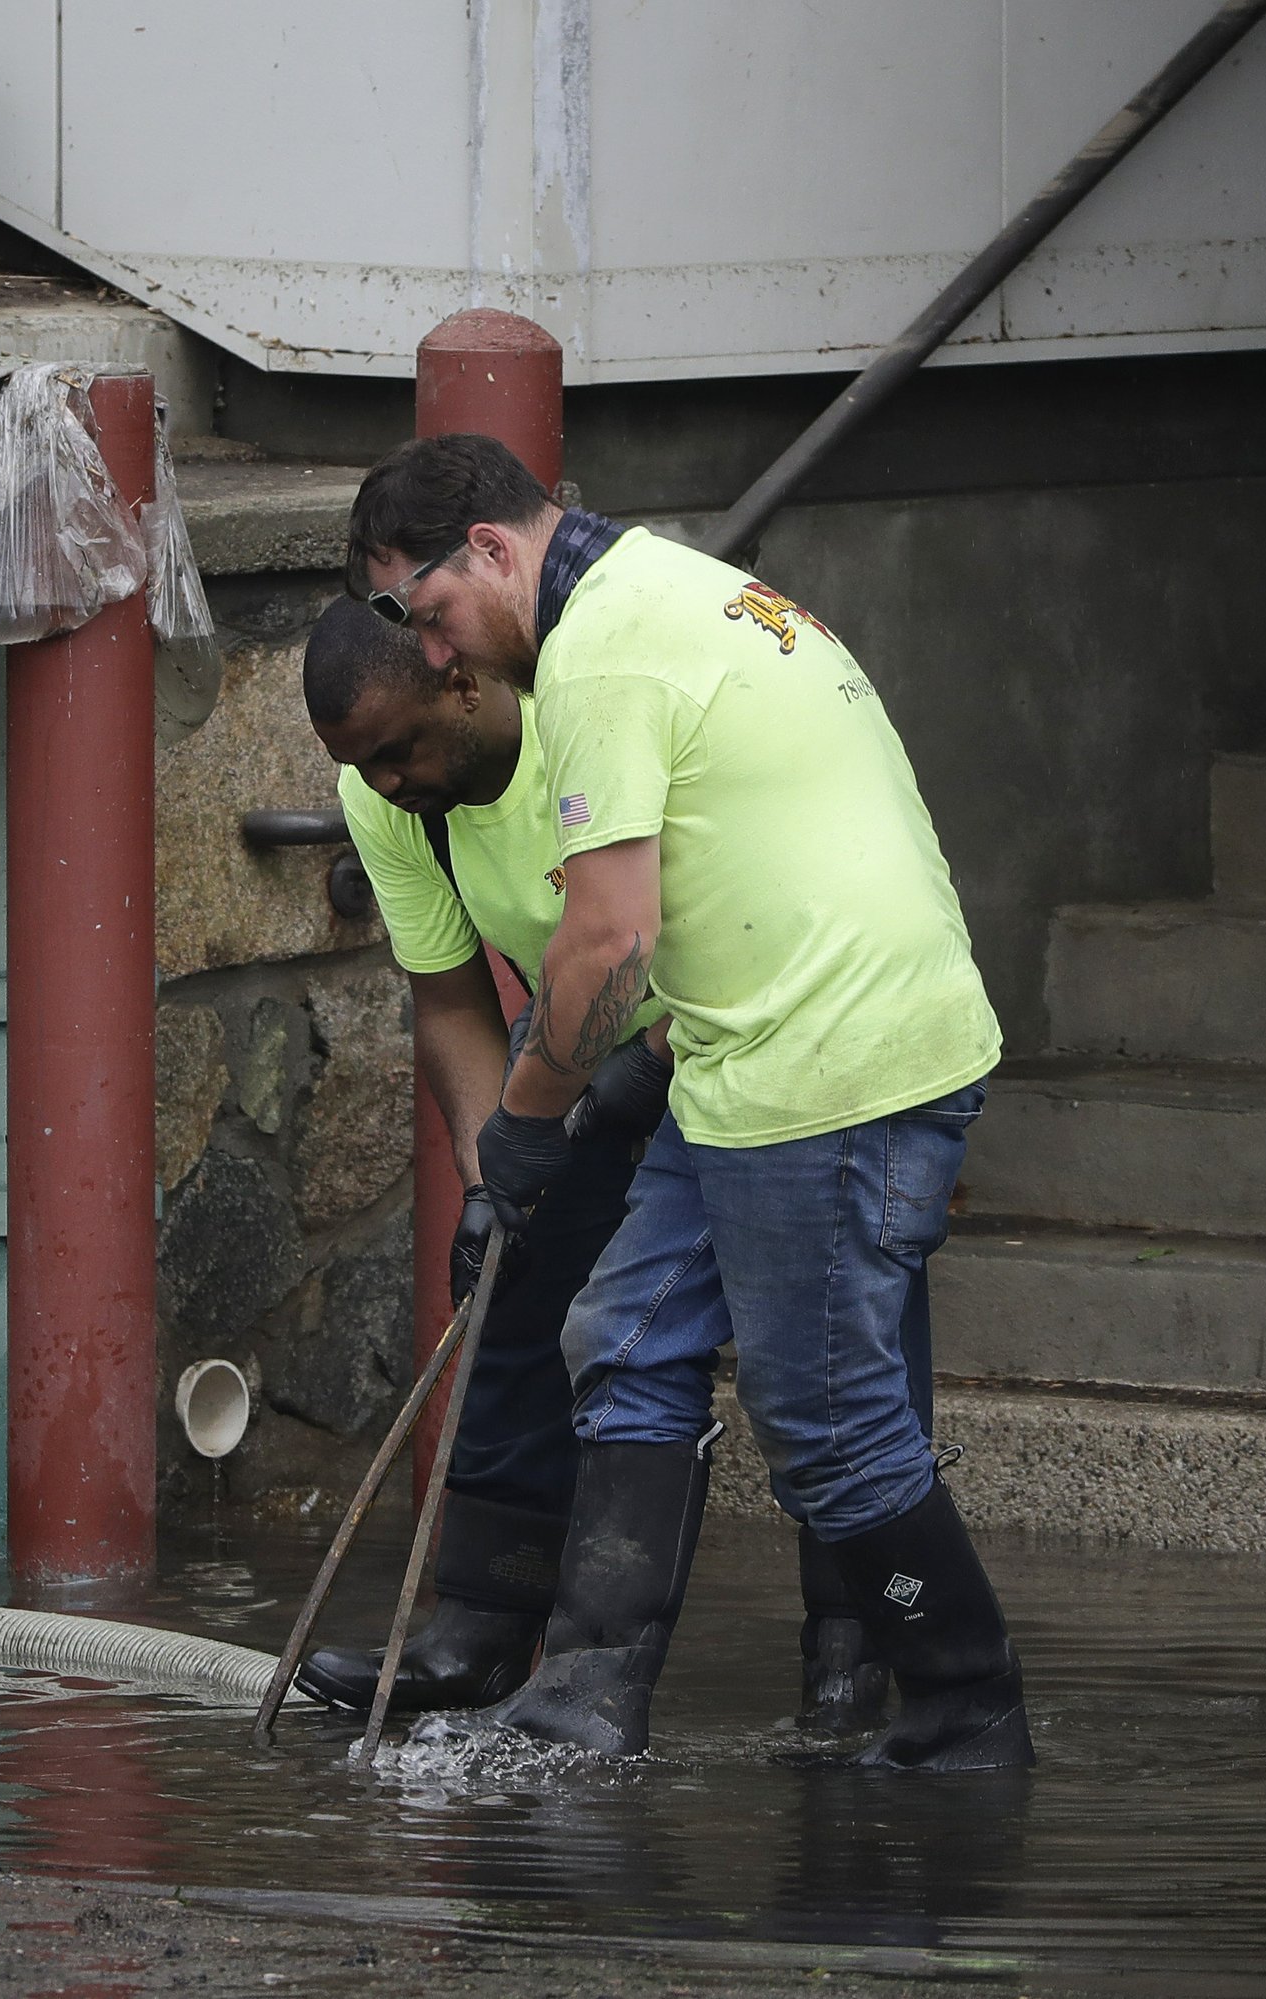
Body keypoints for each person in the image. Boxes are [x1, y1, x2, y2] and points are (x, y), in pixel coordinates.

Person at [342, 432, 1028, 1772]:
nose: (435, 656)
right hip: (744, 1048)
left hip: (829, 1058)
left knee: (827, 1423)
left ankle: (964, 1702)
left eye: (430, 618)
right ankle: (583, 1700)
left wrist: (524, 1129)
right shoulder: (674, 588)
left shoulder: (604, 649)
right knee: (626, 1333)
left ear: (491, 549)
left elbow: (604, 948)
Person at [292, 596, 909, 1735]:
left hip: (771, 1028)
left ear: (463, 683)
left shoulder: (598, 731)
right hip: (585, 1052)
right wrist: (496, 1178)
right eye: (357, 765)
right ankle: (487, 1622)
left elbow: (729, 923)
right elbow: (452, 1000)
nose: (382, 783)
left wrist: (636, 1070)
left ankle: (855, 1655)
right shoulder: (392, 803)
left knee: (824, 1354)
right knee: (515, 1276)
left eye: (396, 750)